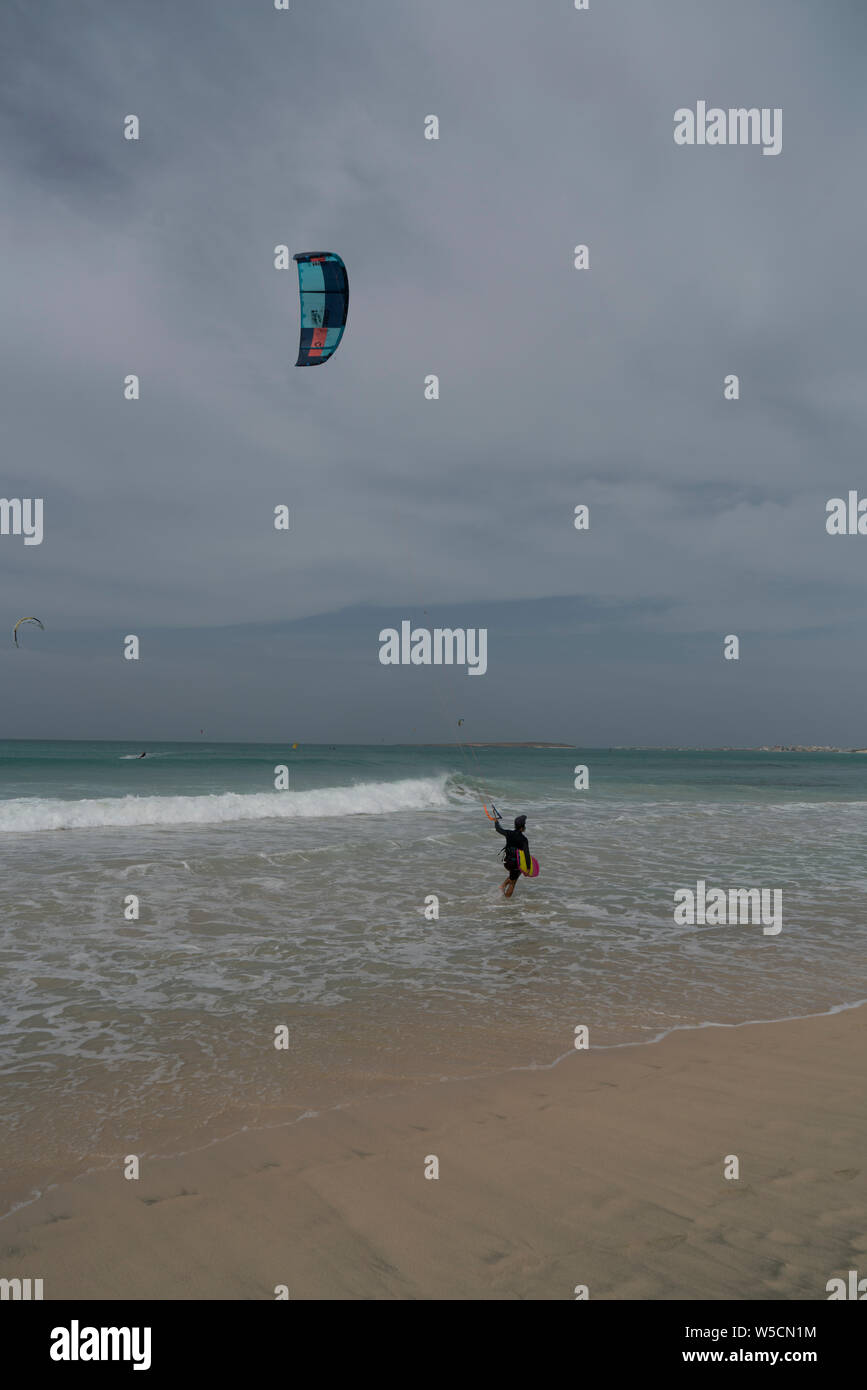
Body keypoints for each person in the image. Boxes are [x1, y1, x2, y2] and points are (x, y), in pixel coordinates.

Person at [495, 812, 529, 898]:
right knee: (513, 882)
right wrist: (528, 868)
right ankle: (506, 900)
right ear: (522, 827)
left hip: (506, 862)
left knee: (514, 875)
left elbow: (499, 829)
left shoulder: (509, 833)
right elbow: (526, 854)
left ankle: (502, 886)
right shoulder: (523, 839)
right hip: (514, 863)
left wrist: (496, 822)